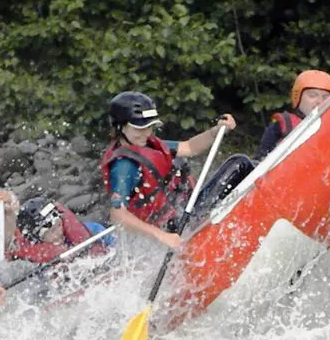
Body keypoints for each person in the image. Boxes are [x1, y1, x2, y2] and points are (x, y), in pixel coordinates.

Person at [101, 91, 237, 250]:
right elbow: (118, 215)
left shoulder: (147, 145)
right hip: (171, 227)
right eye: (140, 128)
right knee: (239, 165)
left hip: (182, 212)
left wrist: (216, 131)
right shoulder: (124, 166)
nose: (147, 133)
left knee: (240, 163)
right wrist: (162, 236)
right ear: (120, 127)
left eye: (149, 126)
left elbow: (189, 147)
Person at [254, 69, 330, 160]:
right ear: (298, 97)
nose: (320, 101)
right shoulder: (283, 123)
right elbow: (260, 156)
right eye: (312, 95)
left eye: (326, 97)